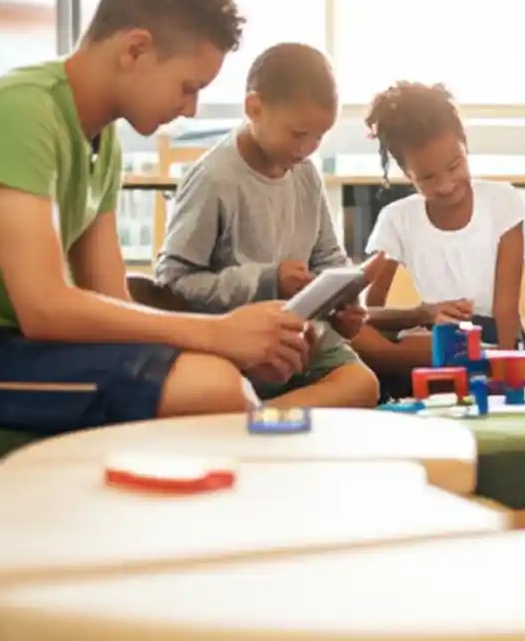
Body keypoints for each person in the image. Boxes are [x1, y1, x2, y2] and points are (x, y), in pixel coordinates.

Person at [0, 0, 312, 434]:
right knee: (213, 388)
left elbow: (110, 299)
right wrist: (216, 332)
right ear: (135, 50)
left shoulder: (102, 141)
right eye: (188, 87)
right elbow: (44, 308)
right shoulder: (22, 113)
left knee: (219, 376)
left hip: (16, 345)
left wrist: (236, 347)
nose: (190, 109)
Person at [155, 42, 380, 408]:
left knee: (362, 385)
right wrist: (267, 279)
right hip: (234, 343)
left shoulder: (305, 174)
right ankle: (253, 415)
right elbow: (173, 281)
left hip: (298, 337)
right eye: (298, 134)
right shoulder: (215, 178)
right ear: (254, 108)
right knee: (223, 390)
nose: (307, 148)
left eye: (319, 136)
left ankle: (256, 417)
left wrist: (344, 302)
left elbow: (328, 257)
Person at [359, 81, 525, 351]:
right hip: (435, 342)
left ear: (465, 146)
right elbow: (369, 312)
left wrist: (503, 369)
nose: (446, 185)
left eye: (454, 166)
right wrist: (422, 313)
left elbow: (507, 311)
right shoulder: (397, 219)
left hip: (497, 341)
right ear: (407, 174)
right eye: (427, 177)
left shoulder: (502, 202)